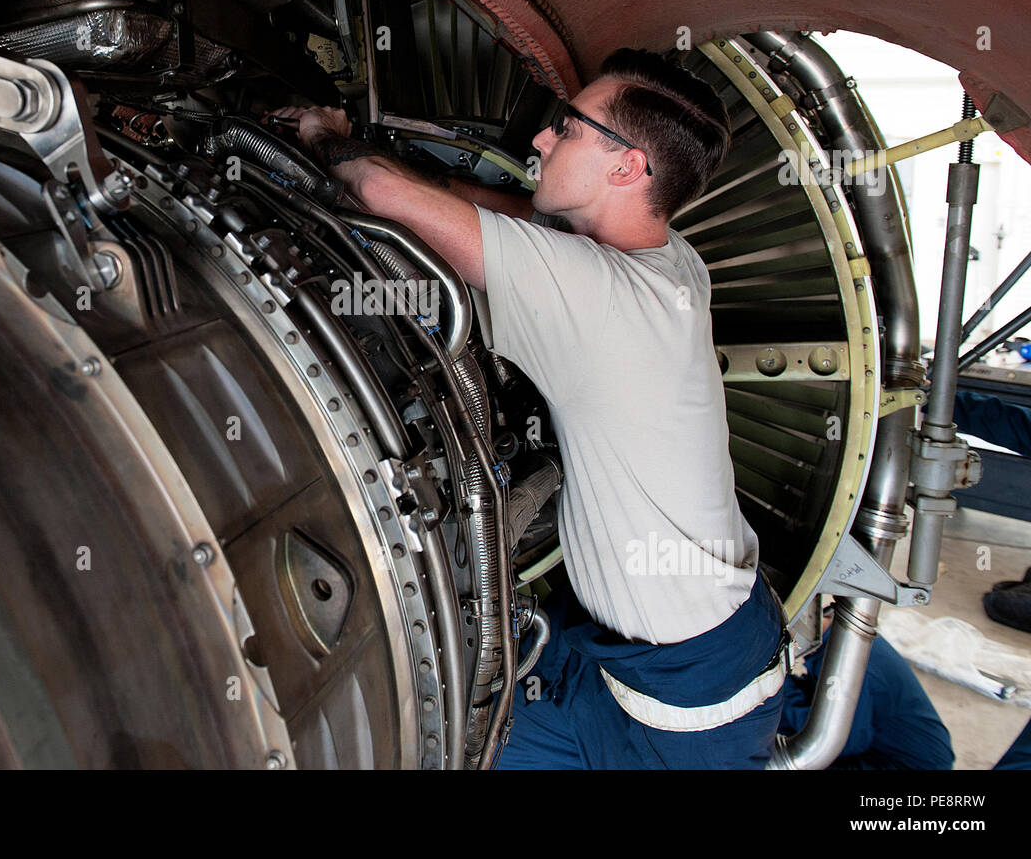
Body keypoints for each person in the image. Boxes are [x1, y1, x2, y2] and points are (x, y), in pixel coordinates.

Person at [270, 48, 786, 769]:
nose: (542, 139)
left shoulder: (598, 294)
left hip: (690, 706)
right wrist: (446, 186)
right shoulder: (671, 261)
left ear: (627, 167)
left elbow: (378, 189)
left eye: (568, 128)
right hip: (672, 638)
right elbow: (516, 220)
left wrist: (326, 132)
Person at [779, 602, 954, 769]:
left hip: (908, 764)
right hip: (877, 745)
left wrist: (780, 686)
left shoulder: (849, 662)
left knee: (790, 755)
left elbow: (837, 743)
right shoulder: (839, 636)